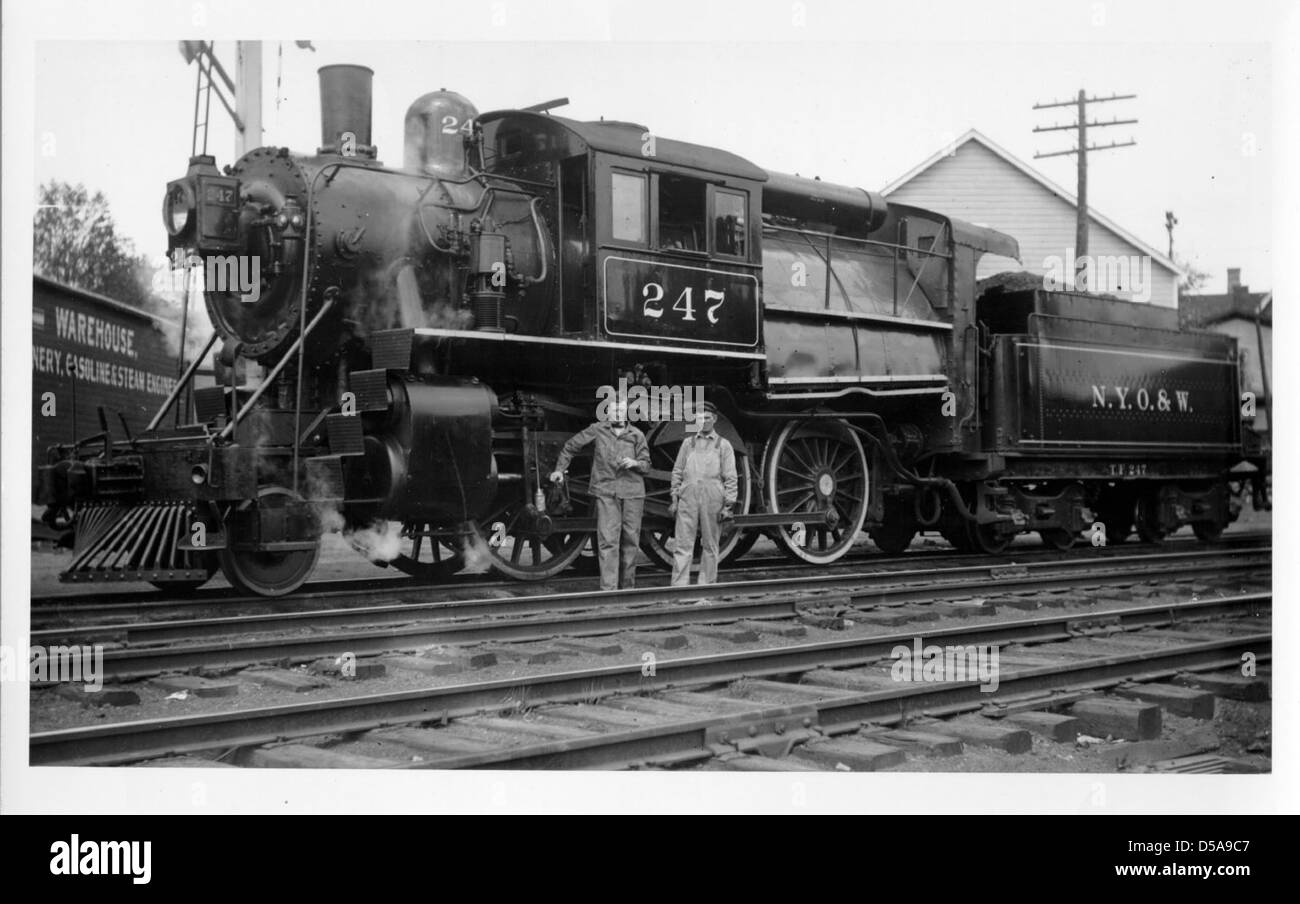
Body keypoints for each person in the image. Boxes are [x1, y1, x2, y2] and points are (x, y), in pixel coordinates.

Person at [550, 399, 650, 591]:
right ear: (608, 413)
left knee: (630, 541)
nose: (618, 414)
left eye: (621, 411)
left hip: (633, 493)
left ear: (626, 413)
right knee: (608, 541)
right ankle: (608, 591)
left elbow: (646, 465)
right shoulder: (597, 430)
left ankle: (628, 589)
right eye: (614, 411)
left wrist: (634, 463)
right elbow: (571, 446)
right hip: (606, 492)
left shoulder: (637, 435)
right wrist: (559, 470)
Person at [669, 401, 738, 586]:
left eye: (707, 417)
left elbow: (731, 477)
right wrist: (674, 497)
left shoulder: (724, 445)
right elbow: (677, 471)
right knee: (682, 544)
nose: (704, 421)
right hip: (688, 496)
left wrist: (728, 505)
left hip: (713, 497)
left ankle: (706, 586)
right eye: (700, 417)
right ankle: (678, 587)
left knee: (710, 545)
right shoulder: (687, 443)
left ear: (714, 419)